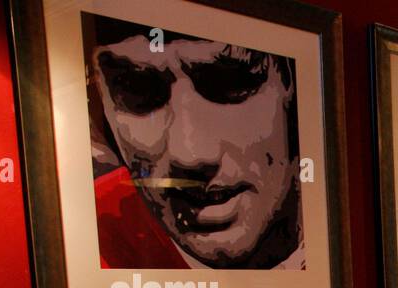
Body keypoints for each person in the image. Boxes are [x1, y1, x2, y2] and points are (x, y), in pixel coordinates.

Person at [83, 14, 303, 270]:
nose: (190, 155)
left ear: (290, 86)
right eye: (136, 89)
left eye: (228, 81)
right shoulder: (88, 239)